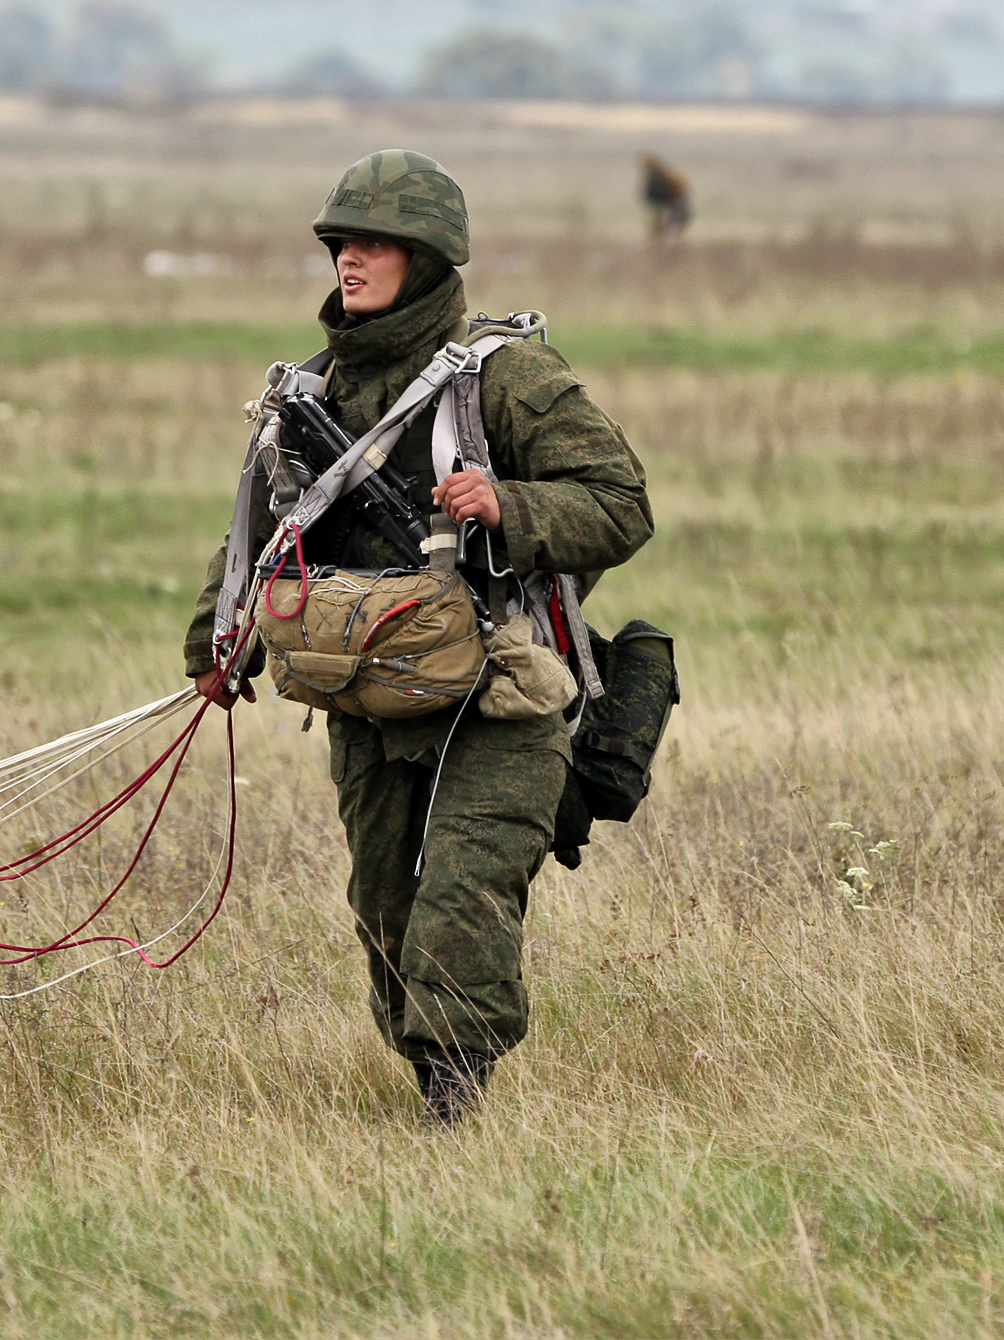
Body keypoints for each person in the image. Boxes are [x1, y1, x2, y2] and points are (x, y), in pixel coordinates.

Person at [182, 150, 653, 1124]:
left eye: (375, 244)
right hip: (371, 698)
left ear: (429, 259)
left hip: (502, 696)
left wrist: (509, 503)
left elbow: (621, 504)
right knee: (388, 915)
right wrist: (219, 640)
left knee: (460, 904)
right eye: (340, 242)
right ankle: (434, 1077)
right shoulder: (312, 393)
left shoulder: (508, 379)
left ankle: (453, 1107)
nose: (349, 261)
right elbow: (269, 538)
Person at [640, 153, 691, 243]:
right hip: (666, 202)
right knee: (667, 220)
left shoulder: (663, 178)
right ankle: (662, 239)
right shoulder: (656, 178)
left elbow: (676, 191)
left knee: (673, 220)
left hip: (672, 201)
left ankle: (667, 239)